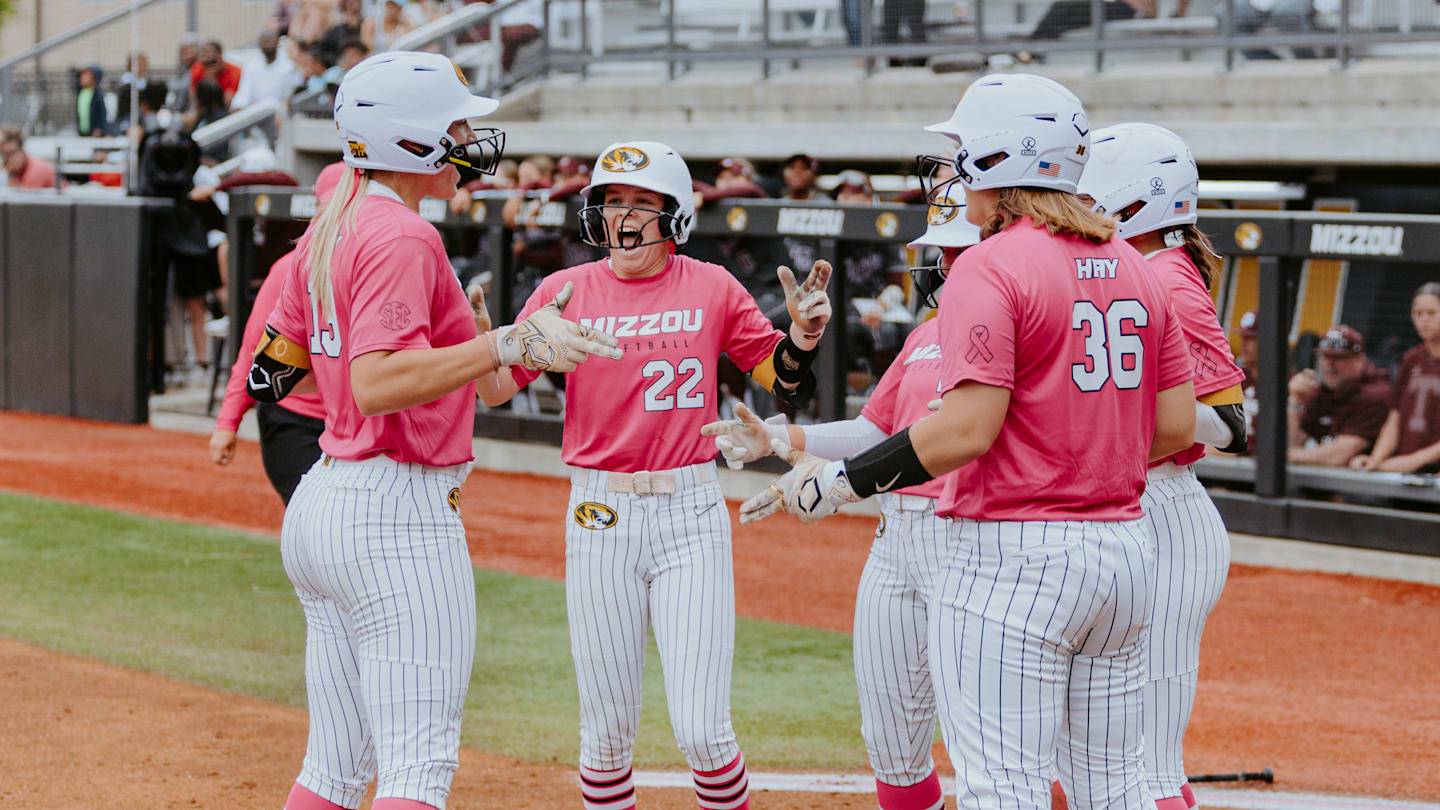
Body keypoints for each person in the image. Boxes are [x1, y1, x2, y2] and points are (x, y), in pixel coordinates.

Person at [740, 73, 1197, 810]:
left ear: (1000, 156)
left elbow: (964, 430)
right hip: (1124, 548)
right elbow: (1175, 427)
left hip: (1013, 554)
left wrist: (841, 481)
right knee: (1112, 788)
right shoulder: (1135, 265)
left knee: (1001, 789)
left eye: (960, 150)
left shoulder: (991, 261)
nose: (953, 168)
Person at [249, 51, 619, 810]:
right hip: (394, 512)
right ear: (410, 139)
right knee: (415, 771)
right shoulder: (403, 236)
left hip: (329, 495)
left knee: (333, 771)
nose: (467, 139)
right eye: (453, 125)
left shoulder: (335, 223)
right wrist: (497, 344)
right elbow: (377, 382)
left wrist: (491, 346)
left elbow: (274, 369)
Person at [475, 140, 834, 810]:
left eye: (642, 202)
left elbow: (778, 378)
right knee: (606, 738)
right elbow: (498, 392)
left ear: (674, 214)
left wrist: (804, 338)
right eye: (613, 202)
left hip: (688, 511)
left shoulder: (710, 285)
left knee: (702, 732)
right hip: (597, 510)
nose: (624, 216)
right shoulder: (563, 289)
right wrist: (485, 345)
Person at [701, 189, 980, 810]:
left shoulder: (1010, 330)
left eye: (952, 253)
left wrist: (837, 481)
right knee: (889, 741)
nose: (936, 266)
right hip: (893, 538)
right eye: (937, 253)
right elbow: (876, 431)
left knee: (985, 743)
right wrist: (777, 437)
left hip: (972, 533)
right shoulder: (927, 334)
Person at [1075, 122, 1249, 810]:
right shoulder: (1133, 266)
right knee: (1103, 744)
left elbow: (1233, 425)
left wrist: (1127, 427)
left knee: (1147, 758)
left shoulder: (1168, 277)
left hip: (1167, 515)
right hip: (1132, 508)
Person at [209, 162, 347, 504]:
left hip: (352, 424)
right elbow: (253, 349)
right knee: (319, 519)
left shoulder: (377, 269)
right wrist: (228, 421)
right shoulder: (290, 268)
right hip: (294, 419)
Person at [1351, 283, 1440, 474]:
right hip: (1401, 467)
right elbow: (1394, 418)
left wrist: (1413, 461)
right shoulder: (1410, 359)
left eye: (1431, 313)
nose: (1423, 320)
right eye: (1417, 313)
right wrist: (1376, 459)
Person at [1287, 325, 1391, 467]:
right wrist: (1295, 401)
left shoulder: (1375, 395)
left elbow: (1337, 457)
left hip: (1361, 485)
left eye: (1338, 358)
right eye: (1325, 356)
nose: (1329, 364)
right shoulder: (1321, 391)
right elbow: (1292, 442)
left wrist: (1287, 455)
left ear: (1360, 360)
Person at [231, 30, 302, 113]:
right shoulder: (251, 66)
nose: (266, 42)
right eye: (264, 40)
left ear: (277, 42)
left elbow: (291, 93)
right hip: (256, 114)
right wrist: (237, 106)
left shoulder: (289, 65)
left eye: (269, 39)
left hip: (280, 113)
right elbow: (244, 93)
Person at [190, 41, 244, 109]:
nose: (209, 68)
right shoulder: (197, 69)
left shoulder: (235, 72)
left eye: (212, 62)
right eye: (205, 64)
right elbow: (194, 99)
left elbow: (226, 103)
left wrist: (212, 82)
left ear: (220, 55)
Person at [75, 65, 109, 137]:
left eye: (86, 77)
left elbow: (102, 113)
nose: (82, 78)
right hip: (82, 130)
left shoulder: (97, 94)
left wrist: (99, 128)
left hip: (94, 131)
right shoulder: (81, 93)